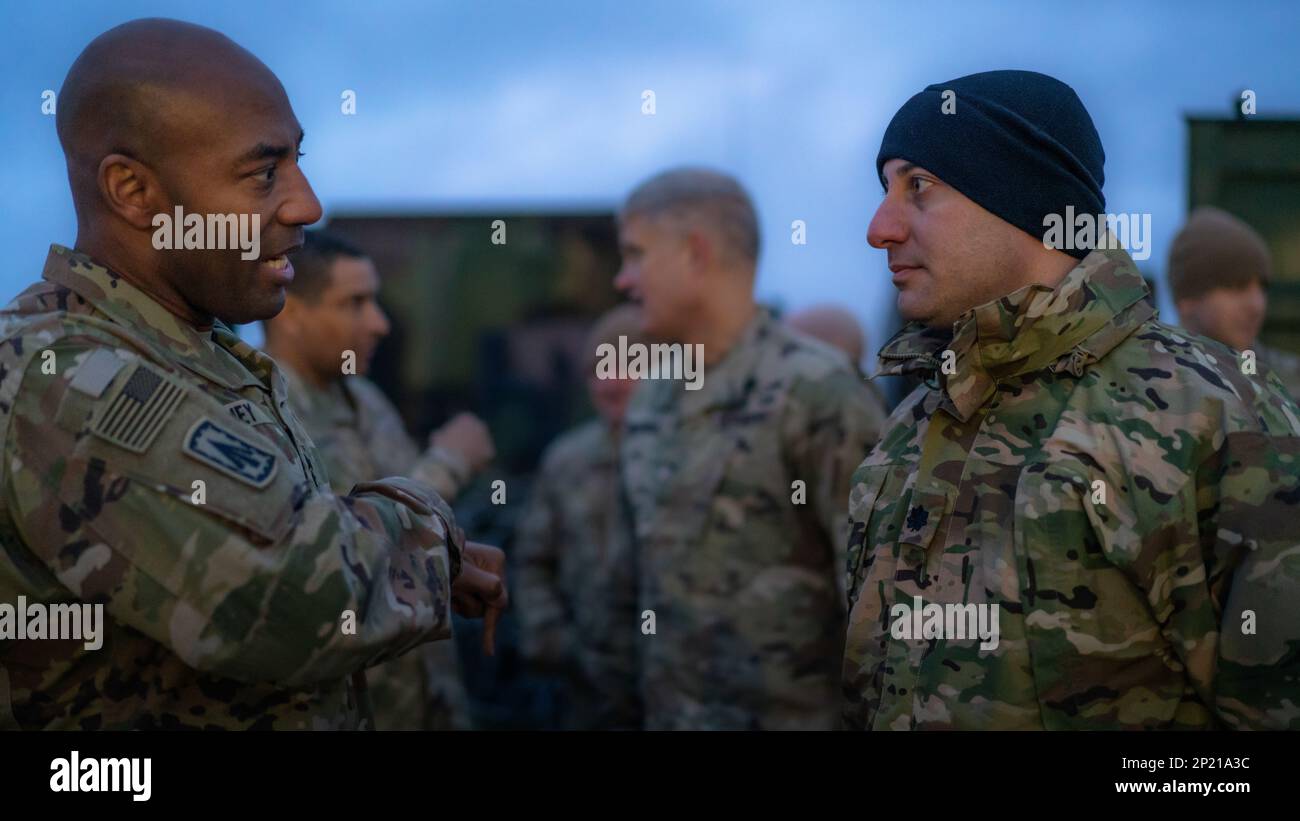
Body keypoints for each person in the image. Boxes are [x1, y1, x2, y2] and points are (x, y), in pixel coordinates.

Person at [0, 18, 505, 730]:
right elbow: (295, 598)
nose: (307, 204)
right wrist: (428, 527)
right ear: (133, 191)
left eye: (298, 161)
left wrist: (413, 558)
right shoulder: (69, 376)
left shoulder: (189, 351)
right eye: (264, 172)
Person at [843, 69, 1300, 730]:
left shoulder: (1209, 412)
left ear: (1022, 198)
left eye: (918, 186)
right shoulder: (909, 430)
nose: (879, 227)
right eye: (884, 189)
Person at [615, 168, 887, 729]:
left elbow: (876, 610)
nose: (623, 279)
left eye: (635, 255)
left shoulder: (816, 391)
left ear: (695, 254)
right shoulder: (653, 396)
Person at [264, 230, 497, 730]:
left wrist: (454, 559)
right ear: (291, 311)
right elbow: (324, 560)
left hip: (428, 697)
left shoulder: (366, 399)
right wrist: (448, 463)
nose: (380, 323)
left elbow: (403, 536)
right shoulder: (264, 418)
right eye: (355, 303)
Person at [514, 304, 644, 729]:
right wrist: (554, 643)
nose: (609, 383)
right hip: (583, 688)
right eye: (598, 369)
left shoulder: (694, 459)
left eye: (627, 365)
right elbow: (533, 559)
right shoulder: (566, 460)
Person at [1168, 206, 1300, 399]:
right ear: (1188, 300)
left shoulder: (1289, 382)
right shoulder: (1152, 382)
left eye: (1262, 287)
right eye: (1237, 287)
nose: (1257, 305)